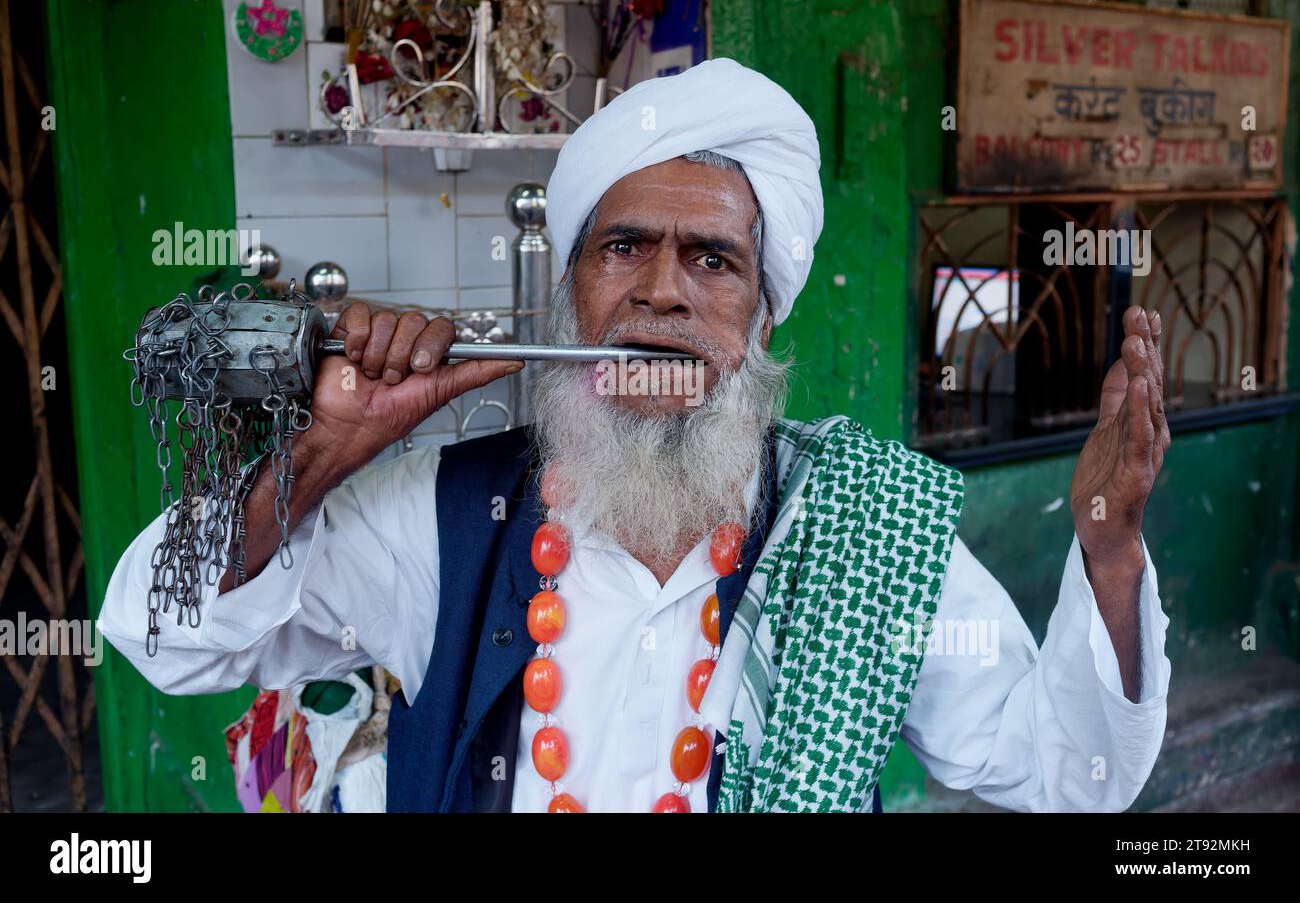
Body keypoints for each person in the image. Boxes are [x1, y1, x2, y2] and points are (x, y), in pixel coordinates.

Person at [100, 58, 1171, 813]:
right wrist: (331, 448)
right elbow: (165, 636)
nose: (662, 290)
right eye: (622, 247)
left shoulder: (868, 532)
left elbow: (1068, 771)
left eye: (711, 259)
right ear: (571, 292)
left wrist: (1109, 541)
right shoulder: (440, 512)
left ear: (761, 315)